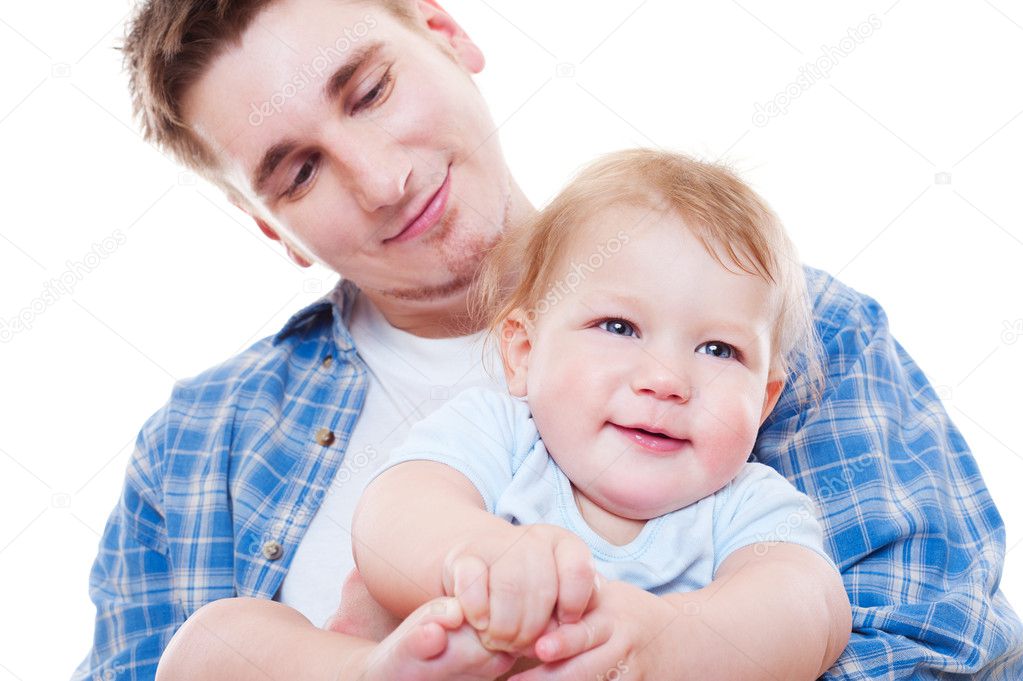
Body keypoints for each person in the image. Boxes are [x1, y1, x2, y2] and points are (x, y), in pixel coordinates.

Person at [75, 0, 1023, 679]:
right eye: (295, 172)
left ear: (444, 34)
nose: (378, 180)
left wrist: (665, 648)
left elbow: (928, 637)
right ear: (270, 229)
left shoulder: (791, 334)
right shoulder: (195, 446)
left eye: (368, 90)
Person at [350, 149, 852, 678]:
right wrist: (479, 556)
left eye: (719, 351)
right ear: (523, 352)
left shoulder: (747, 507)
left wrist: (673, 643)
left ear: (763, 400)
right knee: (253, 629)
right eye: (619, 327)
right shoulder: (501, 435)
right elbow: (395, 509)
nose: (667, 381)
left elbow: (810, 604)